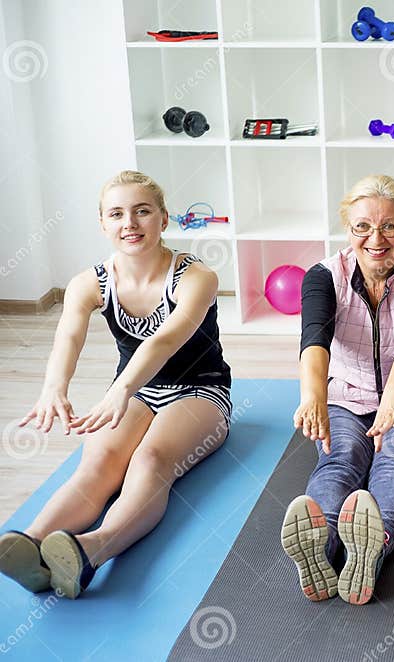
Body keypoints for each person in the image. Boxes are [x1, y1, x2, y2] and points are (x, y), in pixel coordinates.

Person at [0, 170, 232, 599]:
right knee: (98, 465)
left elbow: (162, 341)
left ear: (164, 220)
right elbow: (68, 335)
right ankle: (30, 546)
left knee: (149, 461)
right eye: (117, 214)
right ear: (103, 224)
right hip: (136, 391)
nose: (130, 223)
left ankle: (90, 552)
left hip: (201, 391)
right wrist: (55, 386)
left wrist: (120, 391)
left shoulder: (197, 277)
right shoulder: (89, 283)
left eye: (143, 211)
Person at [283, 174, 394, 605]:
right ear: (348, 229)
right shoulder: (324, 276)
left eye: (389, 227)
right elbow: (315, 338)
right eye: (362, 226)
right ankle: (321, 548)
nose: (375, 238)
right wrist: (314, 397)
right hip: (347, 393)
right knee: (339, 459)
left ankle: (372, 547)